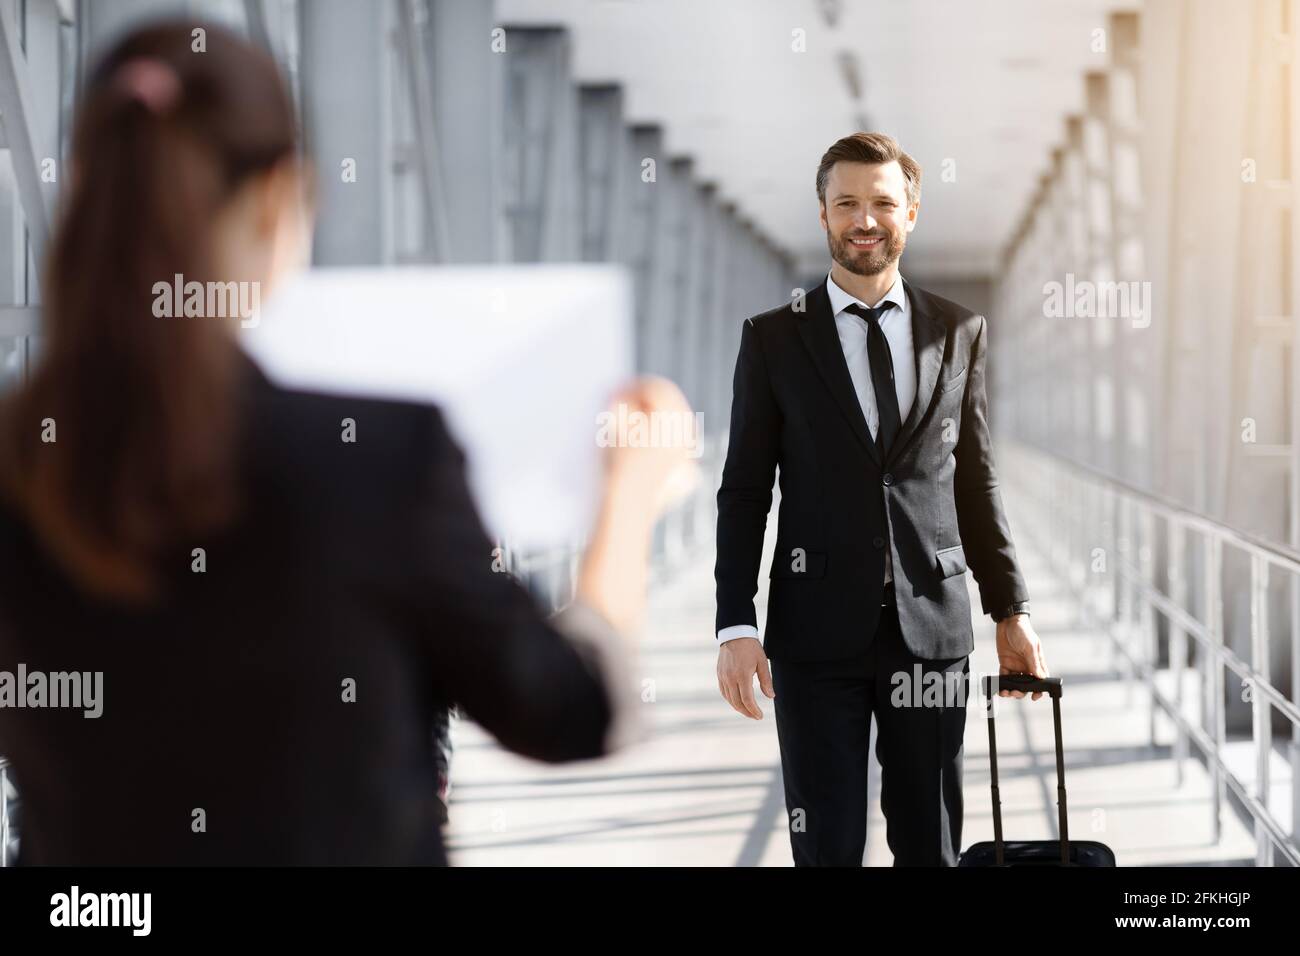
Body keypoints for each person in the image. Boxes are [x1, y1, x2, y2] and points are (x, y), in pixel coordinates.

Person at [0, 20, 690, 865]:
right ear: (279, 199)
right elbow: (572, 709)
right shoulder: (380, 460)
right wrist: (629, 497)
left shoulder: (25, 458)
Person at [713, 132, 1050, 866]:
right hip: (814, 640)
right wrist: (734, 622)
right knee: (827, 846)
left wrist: (1011, 610)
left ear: (912, 212)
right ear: (824, 214)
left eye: (882, 204)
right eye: (847, 204)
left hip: (930, 635)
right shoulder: (773, 340)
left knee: (930, 847)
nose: (865, 220)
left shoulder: (960, 332)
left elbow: (976, 479)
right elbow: (744, 490)